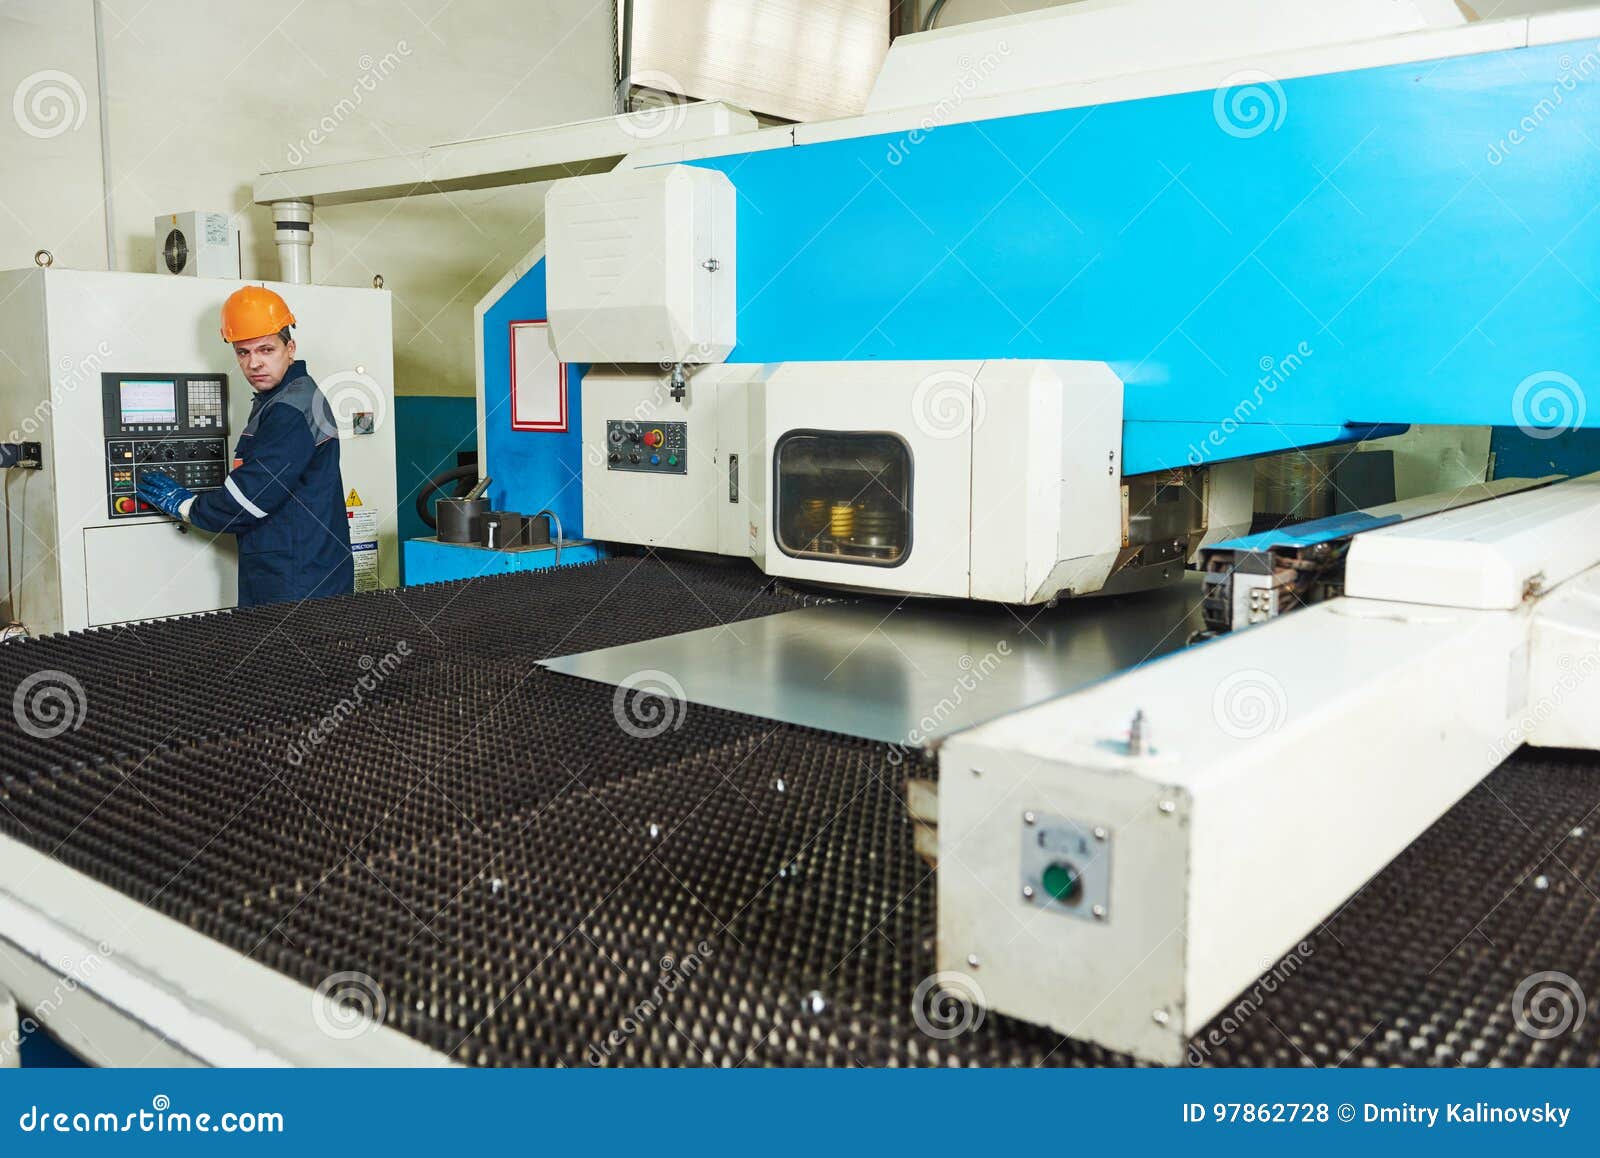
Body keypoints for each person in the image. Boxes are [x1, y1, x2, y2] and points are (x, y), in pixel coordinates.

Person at [137, 286, 354, 608]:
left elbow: (250, 499)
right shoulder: (287, 398)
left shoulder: (289, 408)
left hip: (294, 577)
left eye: (266, 350)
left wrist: (186, 506)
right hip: (304, 567)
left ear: (290, 348)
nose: (254, 363)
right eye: (243, 352)